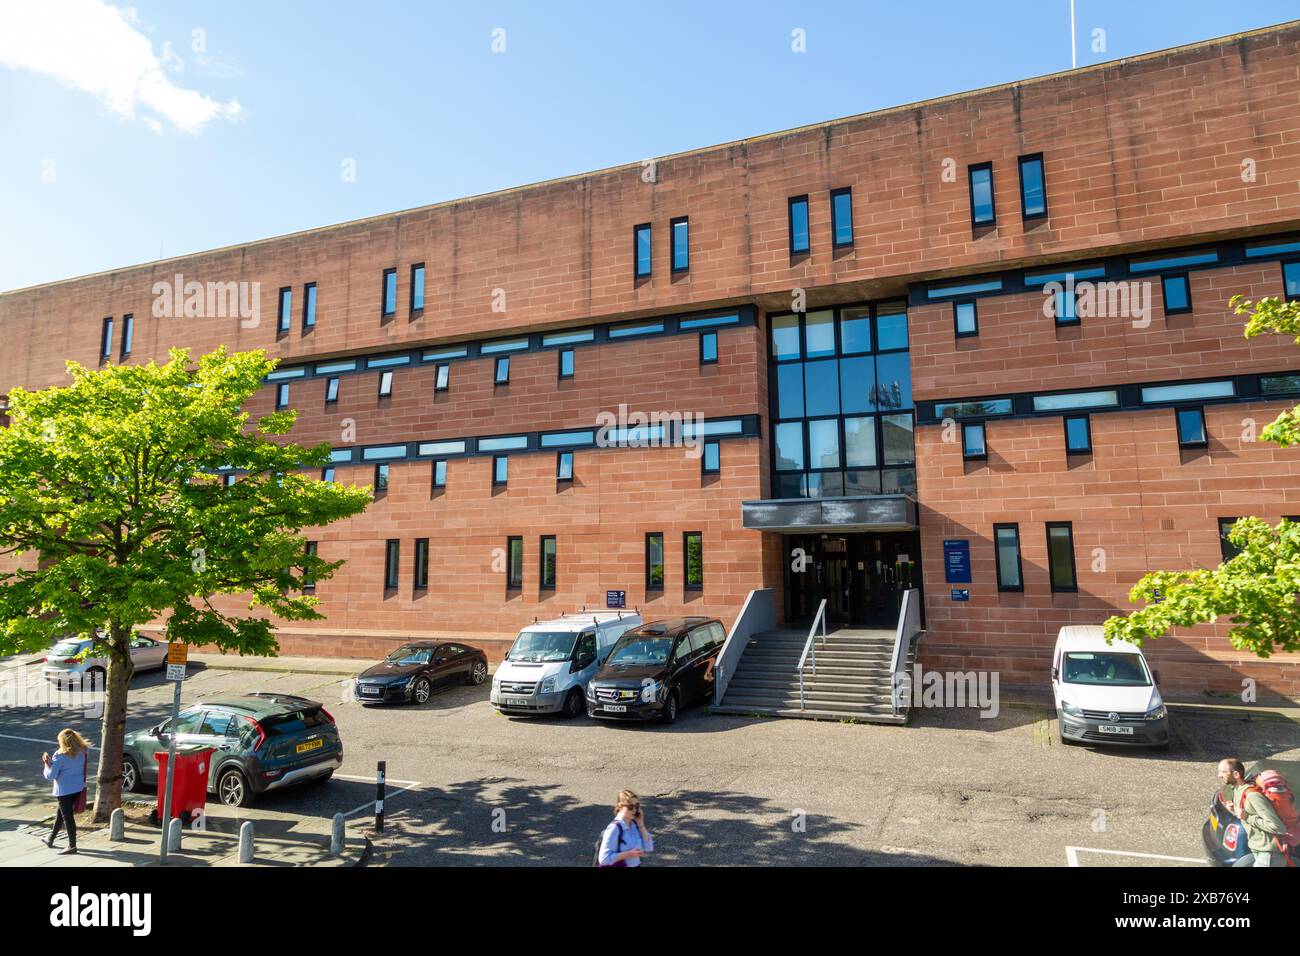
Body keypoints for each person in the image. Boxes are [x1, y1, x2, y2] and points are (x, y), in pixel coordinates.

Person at [1218, 757, 1288, 867]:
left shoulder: (1253, 796)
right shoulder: (1237, 791)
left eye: (1222, 772)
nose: (1219, 775)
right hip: (1259, 852)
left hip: (1269, 855)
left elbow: (1278, 827)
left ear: (1236, 774)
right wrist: (1234, 811)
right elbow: (1247, 814)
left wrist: (1248, 817)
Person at [42, 729, 91, 855]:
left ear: (63, 741)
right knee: (61, 814)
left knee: (68, 818)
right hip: (78, 788)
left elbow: (51, 775)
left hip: (64, 791)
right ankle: (50, 838)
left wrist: (46, 765)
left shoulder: (59, 755)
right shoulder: (83, 751)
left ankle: (72, 845)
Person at [597, 789, 654, 867]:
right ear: (620, 807)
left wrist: (641, 824)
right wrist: (628, 854)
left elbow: (649, 847)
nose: (634, 810)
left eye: (636, 806)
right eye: (630, 807)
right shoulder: (614, 828)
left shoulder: (635, 824)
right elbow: (604, 859)